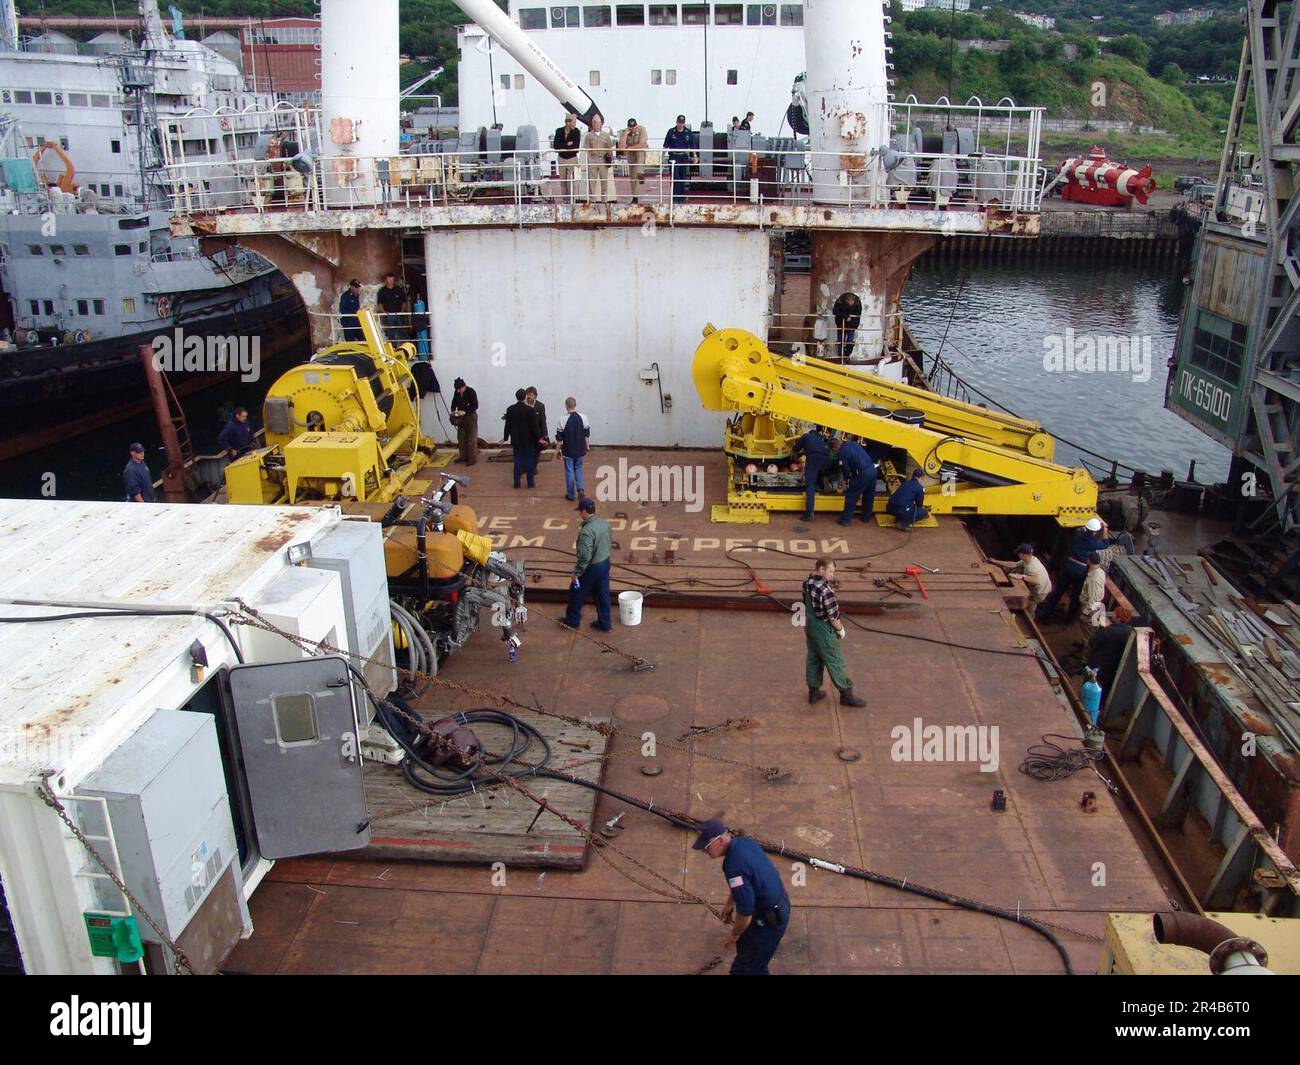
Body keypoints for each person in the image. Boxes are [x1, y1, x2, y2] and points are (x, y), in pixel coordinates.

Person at [693, 819, 790, 976]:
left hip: (768, 920)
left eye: (706, 847)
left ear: (720, 841)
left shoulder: (733, 867)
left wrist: (734, 934)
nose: (704, 851)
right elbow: (748, 882)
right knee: (749, 952)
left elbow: (745, 914)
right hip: (778, 903)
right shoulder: (744, 842)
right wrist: (729, 903)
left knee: (747, 967)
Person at [803, 558, 866, 707]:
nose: (832, 575)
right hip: (824, 630)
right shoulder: (826, 591)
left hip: (810, 626)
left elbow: (806, 601)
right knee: (835, 661)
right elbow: (833, 617)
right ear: (821, 569)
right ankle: (846, 695)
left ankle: (813, 692)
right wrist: (840, 629)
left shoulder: (807, 582)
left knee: (814, 657)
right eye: (830, 571)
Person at [1036, 516, 1110, 624]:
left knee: (1057, 592)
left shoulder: (1078, 535)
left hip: (1069, 565)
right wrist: (1105, 531)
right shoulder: (1094, 543)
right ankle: (1069, 621)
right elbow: (1106, 544)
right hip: (1081, 570)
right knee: (1076, 596)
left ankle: (1045, 615)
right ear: (1095, 531)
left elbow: (1079, 529)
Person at [564, 497, 612, 631]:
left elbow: (585, 556)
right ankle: (605, 622)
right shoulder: (604, 523)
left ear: (585, 511)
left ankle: (572, 620)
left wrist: (577, 573)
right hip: (605, 563)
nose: (579, 514)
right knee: (603, 594)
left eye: (580, 511)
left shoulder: (586, 531)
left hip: (592, 567)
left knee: (576, 591)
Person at [990, 543, 1052, 615]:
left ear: (1024, 555)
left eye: (1020, 553)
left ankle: (1030, 617)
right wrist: (996, 561)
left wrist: (1022, 576)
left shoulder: (1031, 568)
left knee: (1029, 605)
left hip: (1041, 592)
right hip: (1044, 586)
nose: (1018, 555)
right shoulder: (1030, 559)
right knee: (1017, 569)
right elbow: (1013, 564)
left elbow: (1037, 581)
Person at [503, 388, 542, 489]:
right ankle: (530, 482)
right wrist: (539, 438)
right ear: (525, 397)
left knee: (517, 461)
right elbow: (535, 428)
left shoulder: (510, 409)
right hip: (528, 441)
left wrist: (505, 437)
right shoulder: (530, 410)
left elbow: (507, 425)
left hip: (516, 440)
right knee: (529, 461)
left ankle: (517, 483)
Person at [835, 435, 876, 526]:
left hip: (863, 473)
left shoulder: (842, 453)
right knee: (869, 495)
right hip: (872, 469)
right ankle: (866, 517)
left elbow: (845, 470)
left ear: (835, 448)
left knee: (851, 495)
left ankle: (845, 520)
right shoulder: (854, 444)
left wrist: (847, 480)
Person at [556, 396, 590, 501]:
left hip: (568, 450)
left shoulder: (562, 419)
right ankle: (580, 489)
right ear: (575, 405)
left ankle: (570, 495)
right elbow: (586, 434)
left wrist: (557, 451)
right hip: (580, 449)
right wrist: (587, 446)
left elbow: (559, 438)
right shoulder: (583, 417)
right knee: (579, 469)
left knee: (569, 471)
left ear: (566, 406)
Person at [581, 113, 616, 203]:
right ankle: (593, 200)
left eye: (598, 123)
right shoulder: (588, 135)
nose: (596, 125)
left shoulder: (606, 135)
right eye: (594, 123)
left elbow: (609, 148)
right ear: (592, 124)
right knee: (592, 181)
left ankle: (604, 200)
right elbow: (586, 147)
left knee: (604, 180)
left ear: (601, 124)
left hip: (603, 160)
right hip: (593, 159)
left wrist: (611, 159)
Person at [1079, 551, 1109, 648]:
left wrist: (1085, 613)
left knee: (1089, 636)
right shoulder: (1099, 572)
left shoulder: (1094, 578)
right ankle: (1084, 646)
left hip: (1092, 610)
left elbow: (1093, 600)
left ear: (1089, 561)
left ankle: (1084, 660)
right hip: (1095, 608)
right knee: (1087, 633)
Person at [664, 114, 694, 202]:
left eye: (682, 123)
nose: (681, 124)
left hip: (683, 156)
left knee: (682, 177)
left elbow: (692, 146)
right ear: (676, 122)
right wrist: (661, 157)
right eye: (679, 122)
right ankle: (675, 196)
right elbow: (665, 145)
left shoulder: (688, 132)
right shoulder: (671, 132)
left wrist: (695, 156)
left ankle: (681, 196)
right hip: (673, 156)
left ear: (684, 123)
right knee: (675, 176)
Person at [552, 114, 583, 200]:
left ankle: (572, 199)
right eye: (574, 122)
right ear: (568, 122)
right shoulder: (559, 131)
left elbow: (575, 148)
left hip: (572, 159)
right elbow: (556, 146)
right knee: (563, 181)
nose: (575, 124)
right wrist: (567, 144)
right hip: (561, 159)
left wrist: (562, 147)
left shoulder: (577, 132)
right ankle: (565, 200)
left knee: (572, 181)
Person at [451, 377, 479, 465]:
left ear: (464, 386)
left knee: (471, 439)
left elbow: (475, 405)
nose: (458, 391)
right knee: (461, 437)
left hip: (471, 416)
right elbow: (454, 401)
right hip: (461, 418)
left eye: (459, 389)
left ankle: (472, 459)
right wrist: (453, 410)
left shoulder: (471, 392)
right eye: (457, 390)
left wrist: (465, 411)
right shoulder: (457, 392)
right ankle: (463, 456)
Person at [619, 118, 647, 202]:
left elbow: (642, 144)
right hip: (631, 154)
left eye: (633, 127)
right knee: (633, 176)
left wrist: (629, 148)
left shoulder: (642, 129)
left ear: (636, 125)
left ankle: (640, 173)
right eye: (630, 127)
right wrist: (625, 134)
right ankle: (635, 197)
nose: (632, 129)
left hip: (640, 152)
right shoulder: (625, 132)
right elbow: (621, 147)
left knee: (640, 153)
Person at [376, 272, 407, 340]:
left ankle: (405, 346)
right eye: (389, 280)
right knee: (391, 333)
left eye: (392, 280)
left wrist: (402, 312)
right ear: (386, 280)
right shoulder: (382, 291)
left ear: (394, 280)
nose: (390, 282)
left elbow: (404, 301)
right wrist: (384, 312)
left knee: (402, 332)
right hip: (389, 315)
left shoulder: (399, 290)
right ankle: (393, 347)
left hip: (398, 314)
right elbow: (380, 303)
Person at [832, 291, 863, 360]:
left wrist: (852, 322)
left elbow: (858, 315)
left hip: (851, 325)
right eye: (848, 300)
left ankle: (846, 356)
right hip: (841, 324)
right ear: (846, 300)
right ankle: (841, 357)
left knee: (850, 341)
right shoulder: (840, 301)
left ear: (854, 300)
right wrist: (846, 316)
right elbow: (835, 311)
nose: (850, 303)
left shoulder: (857, 303)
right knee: (840, 341)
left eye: (852, 301)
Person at [413, 293, 431, 359]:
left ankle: (424, 356)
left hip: (421, 323)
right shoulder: (420, 305)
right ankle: (424, 356)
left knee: (423, 339)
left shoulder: (419, 305)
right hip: (421, 323)